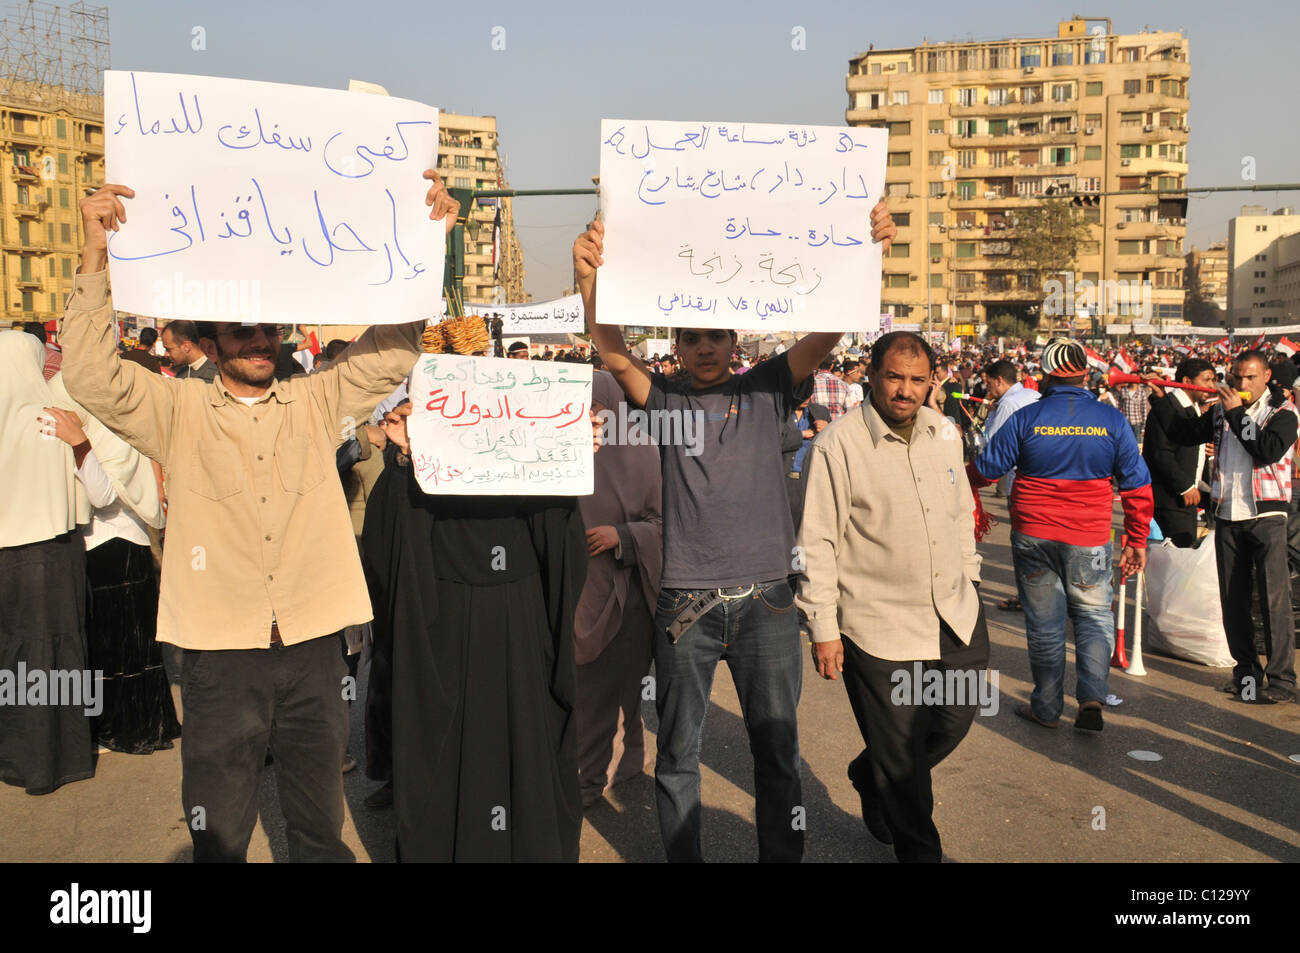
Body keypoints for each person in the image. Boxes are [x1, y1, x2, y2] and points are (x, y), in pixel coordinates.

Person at [59, 172, 460, 861]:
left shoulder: (314, 399)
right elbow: (90, 373)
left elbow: (394, 348)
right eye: (240, 331)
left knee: (316, 834)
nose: (257, 339)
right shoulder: (176, 412)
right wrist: (95, 253)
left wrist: (431, 242)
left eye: (266, 327)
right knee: (219, 836)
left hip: (313, 647)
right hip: (218, 655)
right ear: (209, 345)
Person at [574, 200, 896, 862]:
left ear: (734, 342)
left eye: (715, 336)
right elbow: (610, 350)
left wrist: (871, 252)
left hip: (768, 604)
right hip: (684, 605)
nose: (704, 348)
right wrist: (588, 280)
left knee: (777, 754)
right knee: (678, 756)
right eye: (691, 338)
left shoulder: (768, 387)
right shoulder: (662, 402)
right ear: (678, 346)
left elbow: (827, 332)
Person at [359, 401, 588, 861]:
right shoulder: (417, 466)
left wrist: (569, 454)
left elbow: (560, 539)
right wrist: (406, 460)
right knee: (443, 741)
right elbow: (387, 555)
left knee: (525, 740)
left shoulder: (528, 456)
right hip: (441, 620)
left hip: (521, 622)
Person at [797, 331, 988, 863]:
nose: (905, 390)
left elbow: (960, 514)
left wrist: (969, 575)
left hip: (954, 611)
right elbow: (817, 539)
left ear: (932, 381)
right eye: (894, 377)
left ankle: (870, 770)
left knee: (954, 716)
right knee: (903, 760)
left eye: (917, 379)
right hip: (877, 625)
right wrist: (823, 627)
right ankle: (920, 850)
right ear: (872, 376)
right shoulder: (837, 444)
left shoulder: (945, 433)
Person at [973, 339, 1152, 731]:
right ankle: (1091, 698)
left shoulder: (1027, 417)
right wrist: (1137, 538)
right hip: (1089, 536)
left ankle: (1047, 708)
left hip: (1033, 534)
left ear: (1045, 375)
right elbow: (1137, 486)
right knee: (1092, 617)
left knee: (1045, 625)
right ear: (1085, 374)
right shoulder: (1112, 420)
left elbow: (987, 468)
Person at [1146, 351, 1298, 703]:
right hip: (1228, 515)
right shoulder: (1219, 410)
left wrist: (1235, 413)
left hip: (1267, 518)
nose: (1241, 385)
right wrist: (1162, 398)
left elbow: (1267, 449)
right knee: (1234, 600)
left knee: (1275, 601)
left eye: (1250, 378)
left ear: (1266, 377)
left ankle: (1281, 681)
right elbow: (1182, 432)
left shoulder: (1284, 413)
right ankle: (1246, 675)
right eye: (1237, 377)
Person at [44, 375, 179, 754]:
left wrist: (78, 444)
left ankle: (127, 728)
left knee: (117, 646)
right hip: (111, 545)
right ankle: (141, 722)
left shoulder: (99, 433)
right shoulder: (101, 422)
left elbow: (102, 496)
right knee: (124, 645)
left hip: (111, 545)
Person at [0, 331, 95, 795]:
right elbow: (87, 494)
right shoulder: (53, 419)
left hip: (6, 557)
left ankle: (13, 755)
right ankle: (55, 760)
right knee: (52, 656)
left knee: (13, 653)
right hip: (50, 553)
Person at [575, 371, 663, 807]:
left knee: (615, 685)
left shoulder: (641, 449)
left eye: (596, 408)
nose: (590, 417)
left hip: (625, 592)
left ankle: (592, 778)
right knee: (586, 687)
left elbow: (665, 524)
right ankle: (615, 763)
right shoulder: (561, 449)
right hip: (576, 588)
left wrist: (622, 536)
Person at [1142, 358, 1215, 548]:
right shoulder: (1168, 407)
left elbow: (1187, 441)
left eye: (1213, 380)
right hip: (1171, 500)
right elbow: (1161, 452)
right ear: (1187, 382)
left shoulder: (1190, 408)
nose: (1211, 386)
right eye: (1206, 380)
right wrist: (1185, 486)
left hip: (1187, 498)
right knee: (1176, 561)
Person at [812, 355, 849, 420]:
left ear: (817, 365)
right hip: (837, 424)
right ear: (831, 366)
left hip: (818, 424)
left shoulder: (811, 384)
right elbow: (849, 408)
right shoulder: (843, 384)